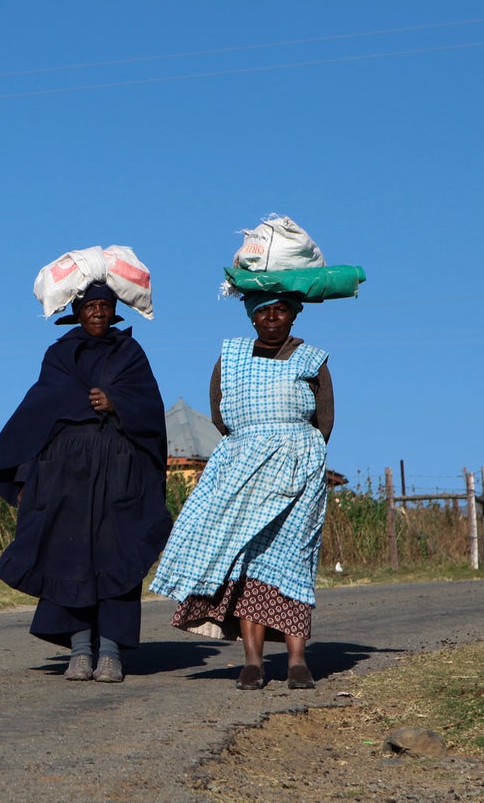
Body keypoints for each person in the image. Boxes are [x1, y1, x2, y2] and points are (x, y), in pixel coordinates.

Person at [0, 280, 172, 684]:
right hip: (65, 476)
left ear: (114, 310)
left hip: (120, 473)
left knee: (117, 556)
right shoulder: (60, 355)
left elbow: (151, 410)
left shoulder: (130, 353)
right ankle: (81, 650)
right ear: (78, 311)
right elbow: (40, 412)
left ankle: (112, 653)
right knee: (68, 558)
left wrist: (117, 403)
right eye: (91, 306)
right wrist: (25, 476)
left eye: (105, 305)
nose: (99, 312)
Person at [149, 290, 333, 690]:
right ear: (252, 318)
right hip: (242, 471)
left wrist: (295, 457)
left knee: (294, 564)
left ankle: (297, 661)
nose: (272, 318)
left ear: (293, 316)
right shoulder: (230, 359)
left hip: (299, 473)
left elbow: (324, 423)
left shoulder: (312, 359)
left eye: (280, 310)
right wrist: (252, 452)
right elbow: (220, 415)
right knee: (247, 564)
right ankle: (253, 662)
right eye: (263, 311)